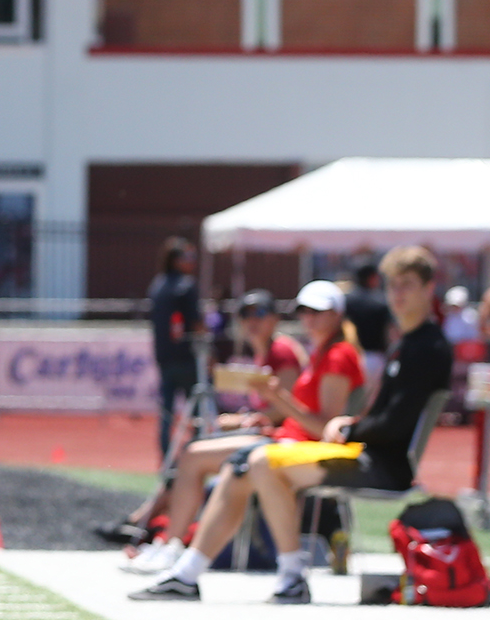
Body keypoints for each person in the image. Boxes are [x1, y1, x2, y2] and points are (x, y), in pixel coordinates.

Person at [132, 246, 453, 605]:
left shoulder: (425, 346)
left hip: (381, 466)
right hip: (366, 453)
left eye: (407, 284)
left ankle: (289, 576)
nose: (398, 293)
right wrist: (351, 424)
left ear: (429, 289)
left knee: (259, 461)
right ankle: (189, 572)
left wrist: (348, 429)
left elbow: (394, 423)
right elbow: (384, 417)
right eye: (393, 285)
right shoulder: (407, 343)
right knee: (242, 468)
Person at [123, 285, 345, 577]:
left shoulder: (314, 353)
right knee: (213, 462)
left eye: (260, 313)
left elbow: (316, 420)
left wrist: (260, 410)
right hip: (284, 438)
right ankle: (181, 558)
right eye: (304, 311)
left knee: (202, 458)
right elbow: (295, 409)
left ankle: (175, 550)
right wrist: (254, 416)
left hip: (295, 445)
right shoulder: (317, 353)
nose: (309, 318)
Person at [148, 237, 204, 461]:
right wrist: (208, 351)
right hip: (187, 358)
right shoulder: (187, 285)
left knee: (166, 414)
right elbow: (196, 322)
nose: (193, 261)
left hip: (164, 358)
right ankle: (196, 456)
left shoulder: (157, 285)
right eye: (188, 257)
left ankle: (166, 460)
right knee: (197, 413)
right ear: (175, 260)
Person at [345, 259, 394, 378]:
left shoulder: (346, 300)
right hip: (376, 359)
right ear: (372, 277)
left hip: (350, 356)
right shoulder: (381, 301)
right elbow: (391, 332)